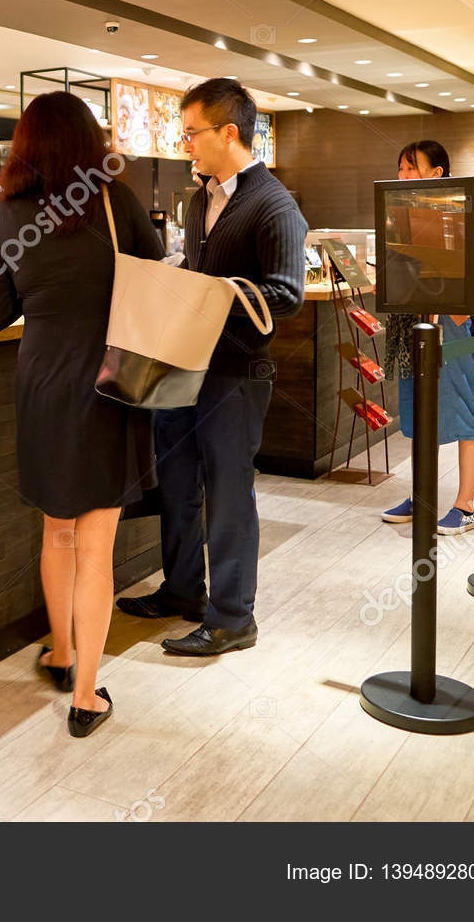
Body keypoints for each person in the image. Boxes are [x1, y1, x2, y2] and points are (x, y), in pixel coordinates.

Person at [0, 90, 163, 738]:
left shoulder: (3, 211)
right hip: (109, 386)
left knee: (55, 530)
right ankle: (86, 692)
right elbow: (157, 270)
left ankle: (60, 651)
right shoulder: (116, 202)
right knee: (98, 545)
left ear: (25, 145)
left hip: (42, 389)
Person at [115, 79, 308, 657]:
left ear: (230, 132)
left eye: (192, 131)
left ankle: (232, 617)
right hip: (184, 364)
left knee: (228, 491)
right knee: (176, 483)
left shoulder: (275, 204)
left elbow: (287, 293)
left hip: (235, 374)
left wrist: (216, 293)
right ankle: (182, 592)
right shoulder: (201, 197)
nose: (185, 142)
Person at [380, 141, 474, 534]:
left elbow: (458, 282)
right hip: (415, 326)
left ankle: (466, 505)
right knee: (419, 415)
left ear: (438, 173)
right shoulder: (400, 216)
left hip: (450, 327)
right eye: (401, 168)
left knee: (461, 415)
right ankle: (421, 494)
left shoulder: (455, 215)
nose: (404, 176)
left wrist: (447, 312)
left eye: (412, 168)